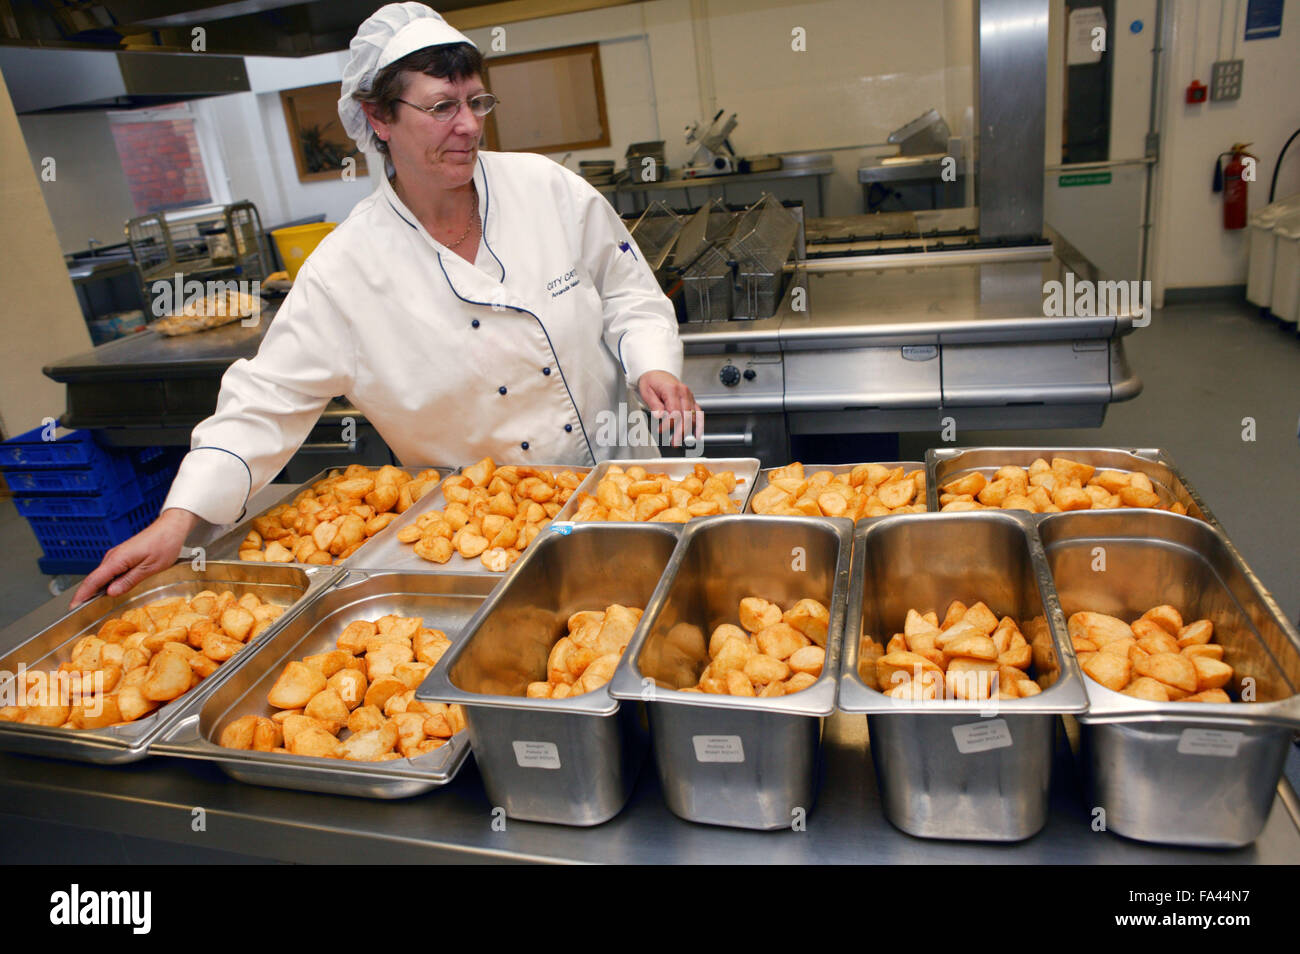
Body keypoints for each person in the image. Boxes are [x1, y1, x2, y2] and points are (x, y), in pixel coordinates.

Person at [71, 2, 699, 606]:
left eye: (477, 102)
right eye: (442, 107)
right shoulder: (347, 269)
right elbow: (266, 402)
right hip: (486, 546)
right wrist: (178, 520)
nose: (470, 125)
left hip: (627, 496)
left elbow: (627, 291)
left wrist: (652, 363)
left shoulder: (545, 187)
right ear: (379, 118)